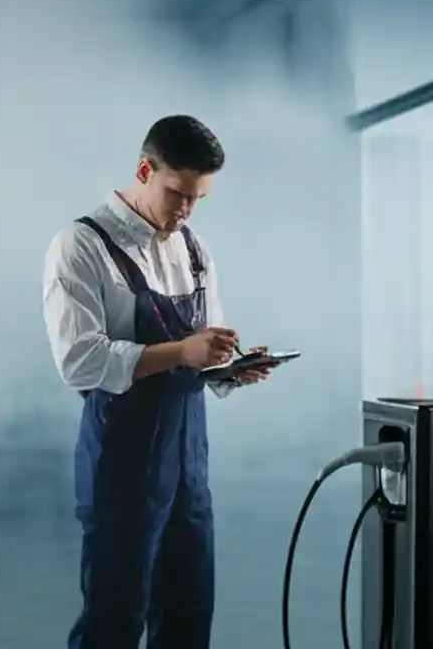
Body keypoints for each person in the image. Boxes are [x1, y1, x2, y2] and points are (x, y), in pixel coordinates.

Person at [42, 115, 270, 649]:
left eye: (198, 198)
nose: (186, 209)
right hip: (120, 461)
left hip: (188, 460)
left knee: (189, 617)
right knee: (114, 622)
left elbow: (202, 350)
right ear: (145, 169)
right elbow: (78, 360)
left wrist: (230, 365)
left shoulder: (194, 249)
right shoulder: (81, 245)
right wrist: (181, 351)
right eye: (177, 193)